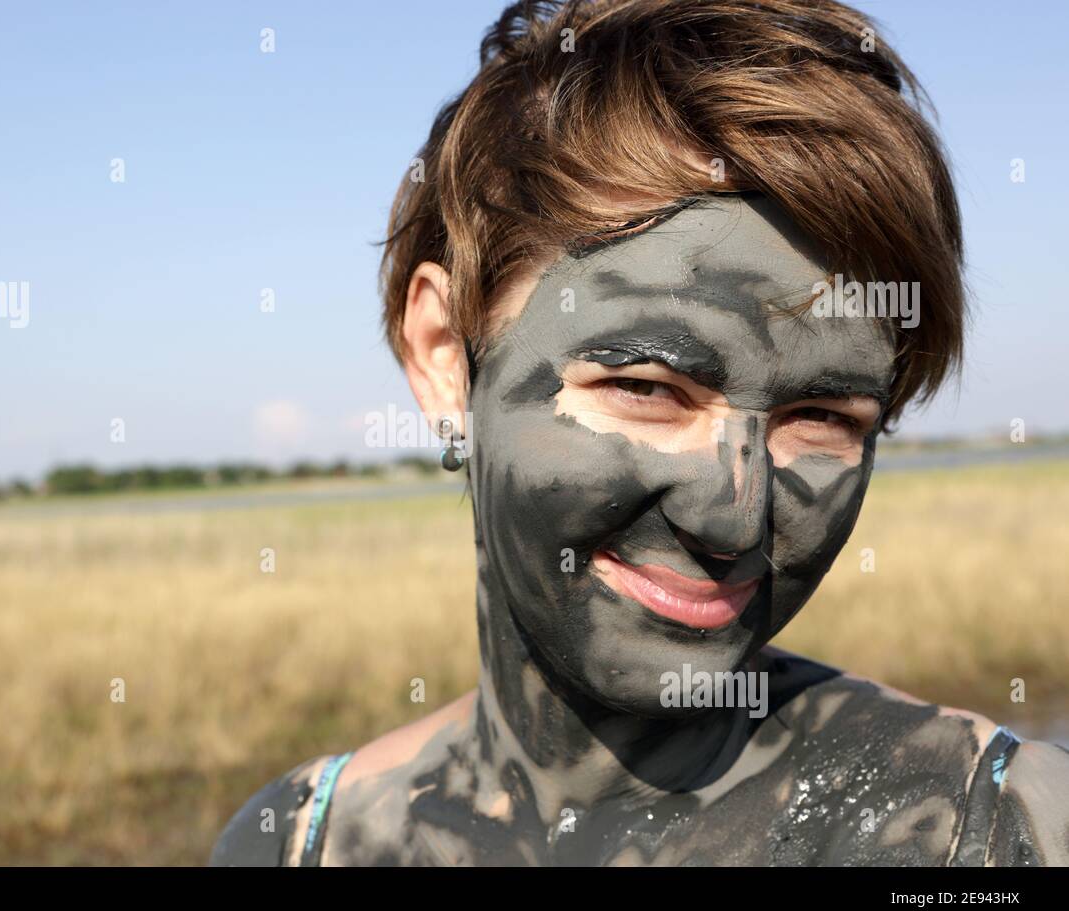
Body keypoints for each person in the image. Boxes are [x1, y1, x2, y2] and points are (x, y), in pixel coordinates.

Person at [211, 0, 1069, 866]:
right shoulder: (301, 844)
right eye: (645, 389)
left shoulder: (983, 837)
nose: (733, 520)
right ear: (444, 355)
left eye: (821, 419)